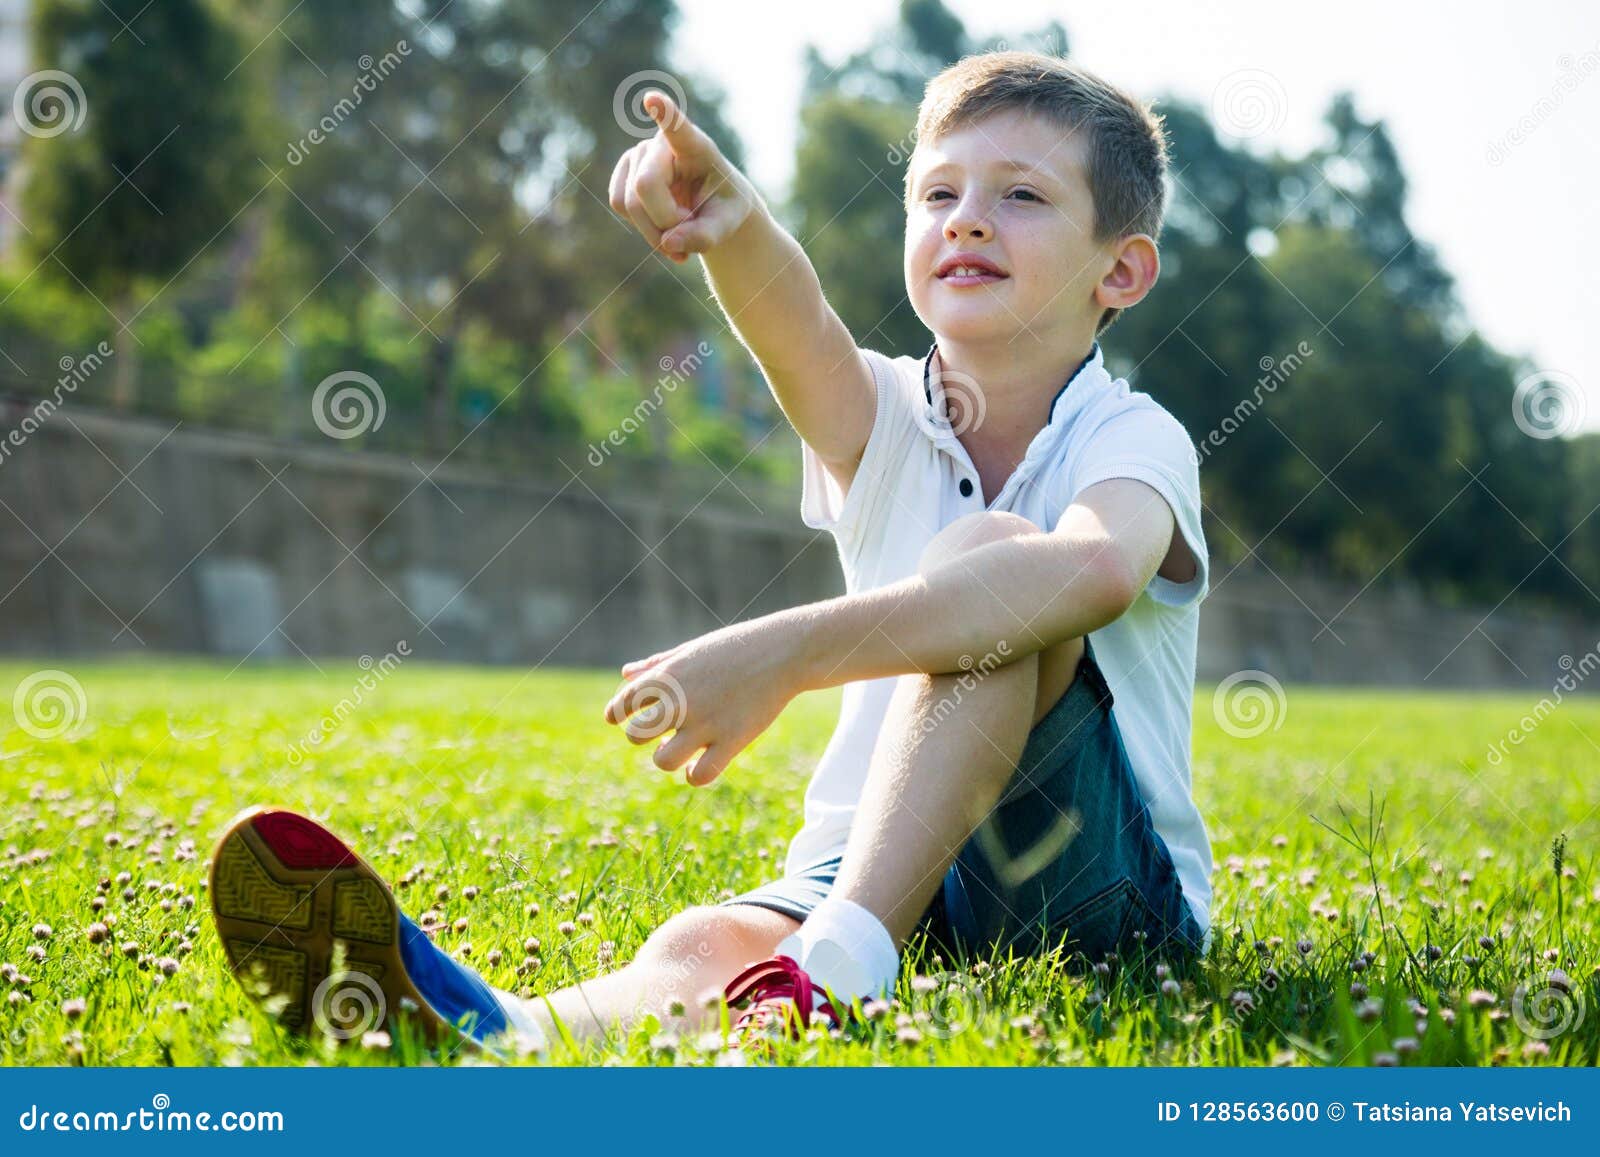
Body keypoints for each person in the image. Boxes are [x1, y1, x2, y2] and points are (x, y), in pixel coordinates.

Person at [210, 50, 1212, 1054]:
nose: (966, 218)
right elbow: (796, 331)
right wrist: (728, 219)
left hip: (1094, 886)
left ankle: (834, 971)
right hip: (885, 860)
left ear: (1118, 268)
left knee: (995, 564)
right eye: (937, 192)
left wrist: (785, 651)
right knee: (702, 942)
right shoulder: (885, 421)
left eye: (1022, 195)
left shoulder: (1134, 439)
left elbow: (1087, 572)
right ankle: (503, 1035)